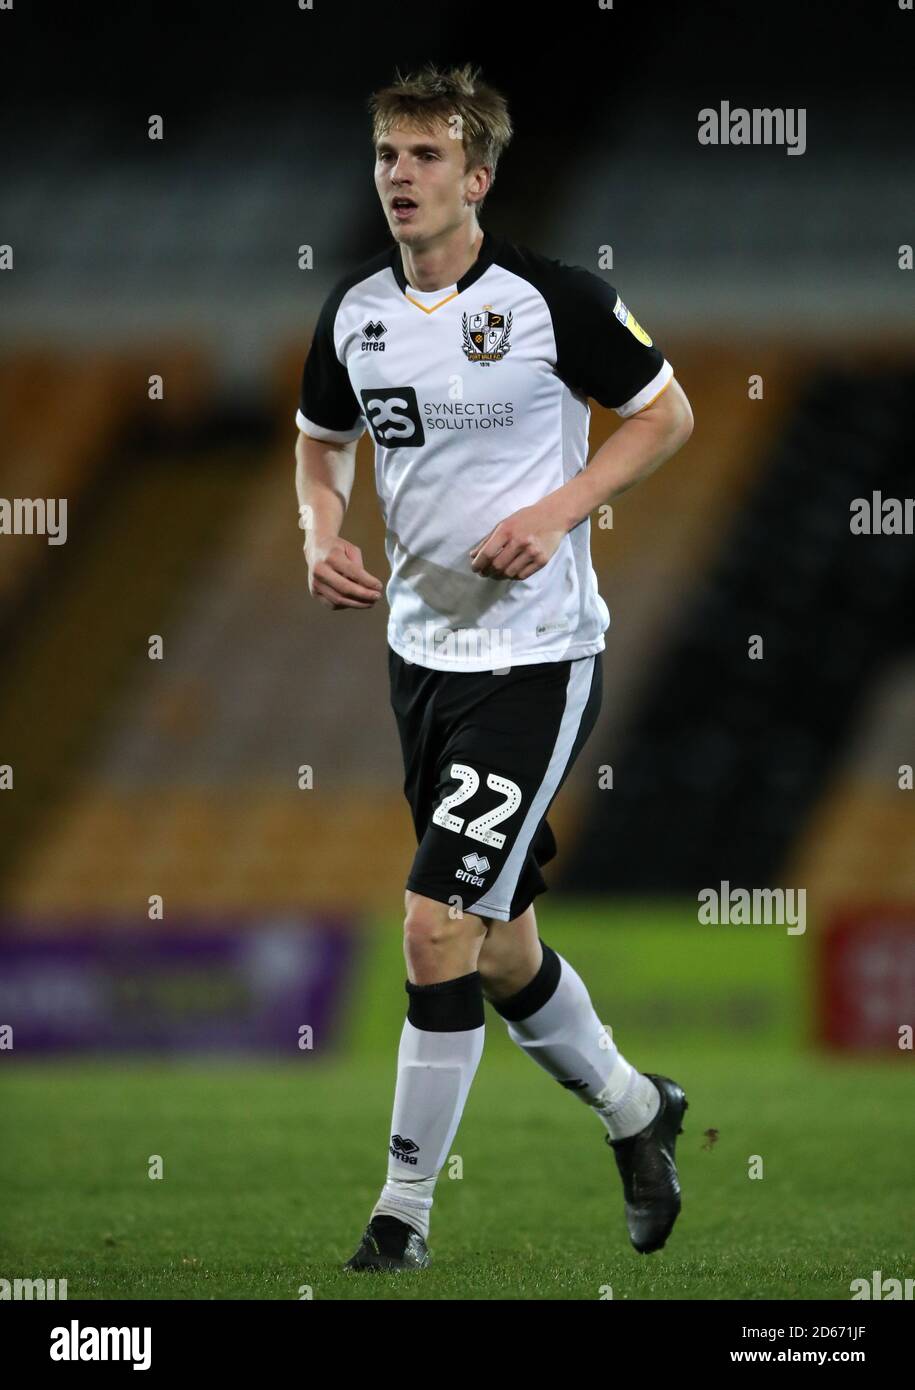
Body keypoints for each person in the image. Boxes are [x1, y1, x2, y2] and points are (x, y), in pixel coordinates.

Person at [294, 62, 694, 1271]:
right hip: (420, 657)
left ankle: (402, 1216)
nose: (399, 178)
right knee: (502, 942)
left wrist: (562, 510)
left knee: (431, 930)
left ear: (476, 178)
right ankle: (638, 1112)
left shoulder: (553, 298)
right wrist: (320, 533)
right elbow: (319, 449)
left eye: (424, 158)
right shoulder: (356, 314)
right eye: (386, 157)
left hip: (537, 660)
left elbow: (666, 414)